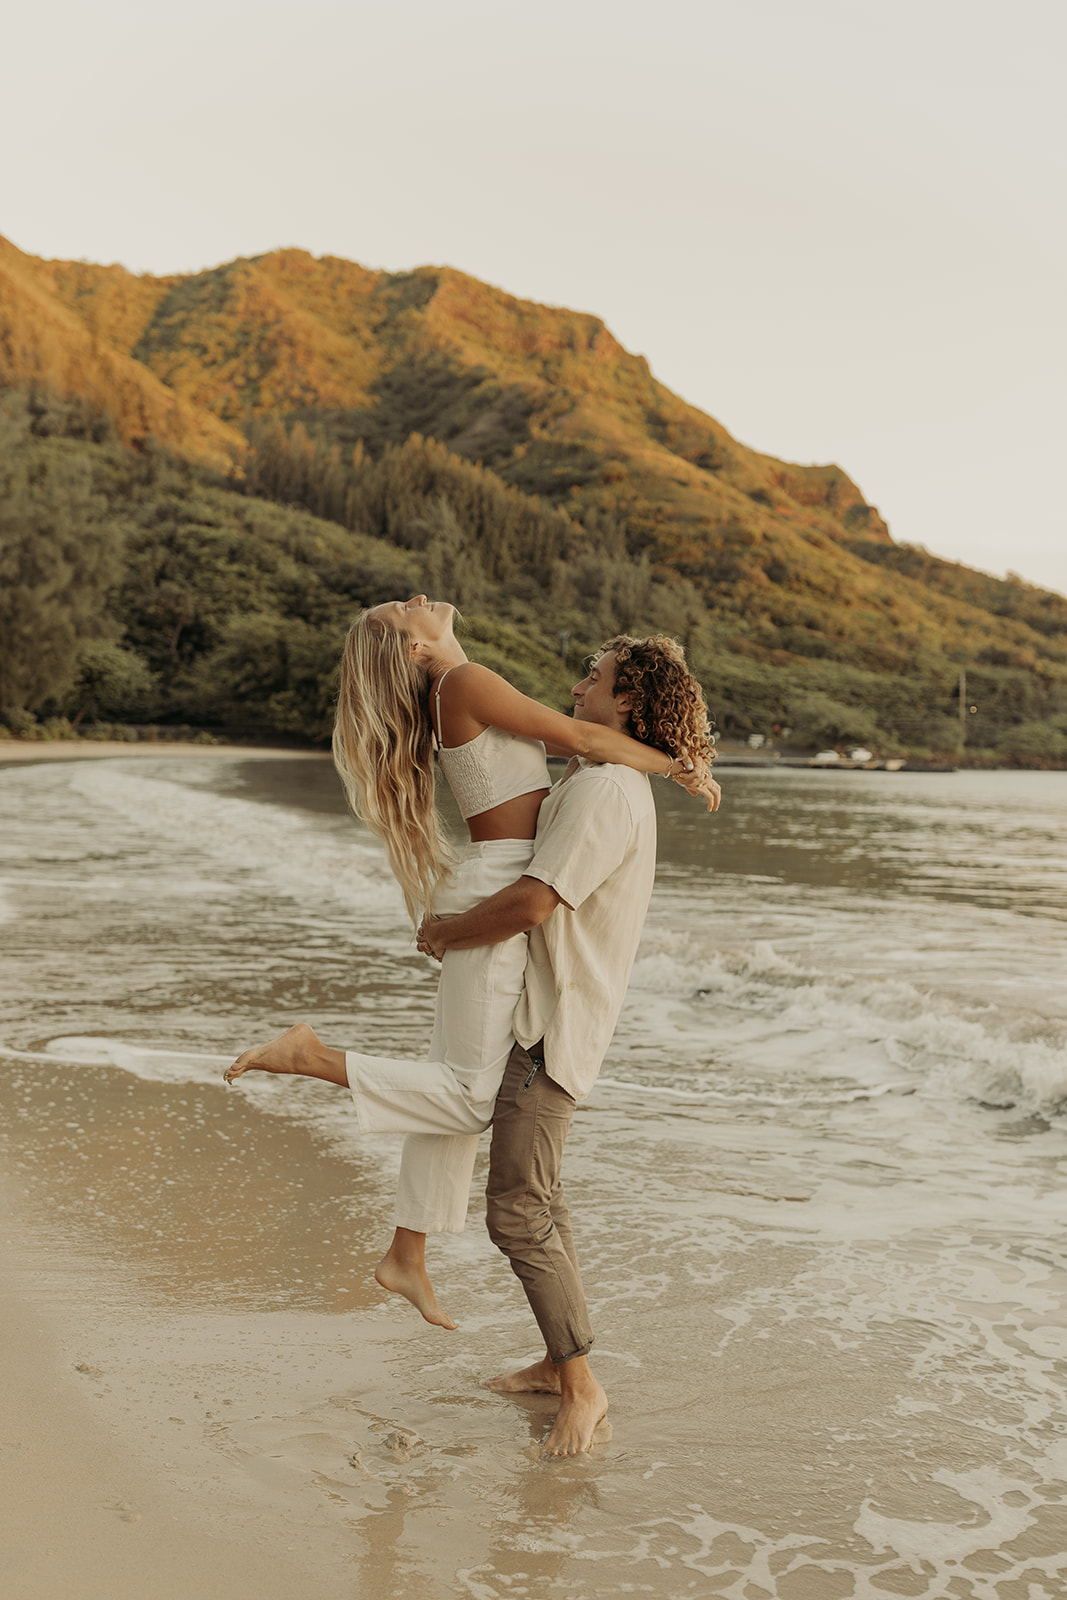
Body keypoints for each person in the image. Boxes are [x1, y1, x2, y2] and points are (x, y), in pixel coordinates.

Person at [224, 597, 718, 1331]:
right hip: (502, 885)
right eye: (401, 609)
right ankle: (312, 1057)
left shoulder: (461, 684)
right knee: (466, 1097)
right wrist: (683, 769)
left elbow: (583, 744)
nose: (416, 598)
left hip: (500, 875)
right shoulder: (464, 680)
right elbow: (580, 733)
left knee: (450, 1084)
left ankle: (406, 1253)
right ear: (416, 646)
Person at [415, 633, 716, 1455]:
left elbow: (533, 903)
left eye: (595, 677)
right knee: (541, 1203)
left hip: (552, 1028)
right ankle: (558, 1362)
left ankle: (582, 1387)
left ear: (626, 704)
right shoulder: (602, 778)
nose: (578, 684)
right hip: (551, 1015)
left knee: (516, 1212)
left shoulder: (604, 792)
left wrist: (446, 932)